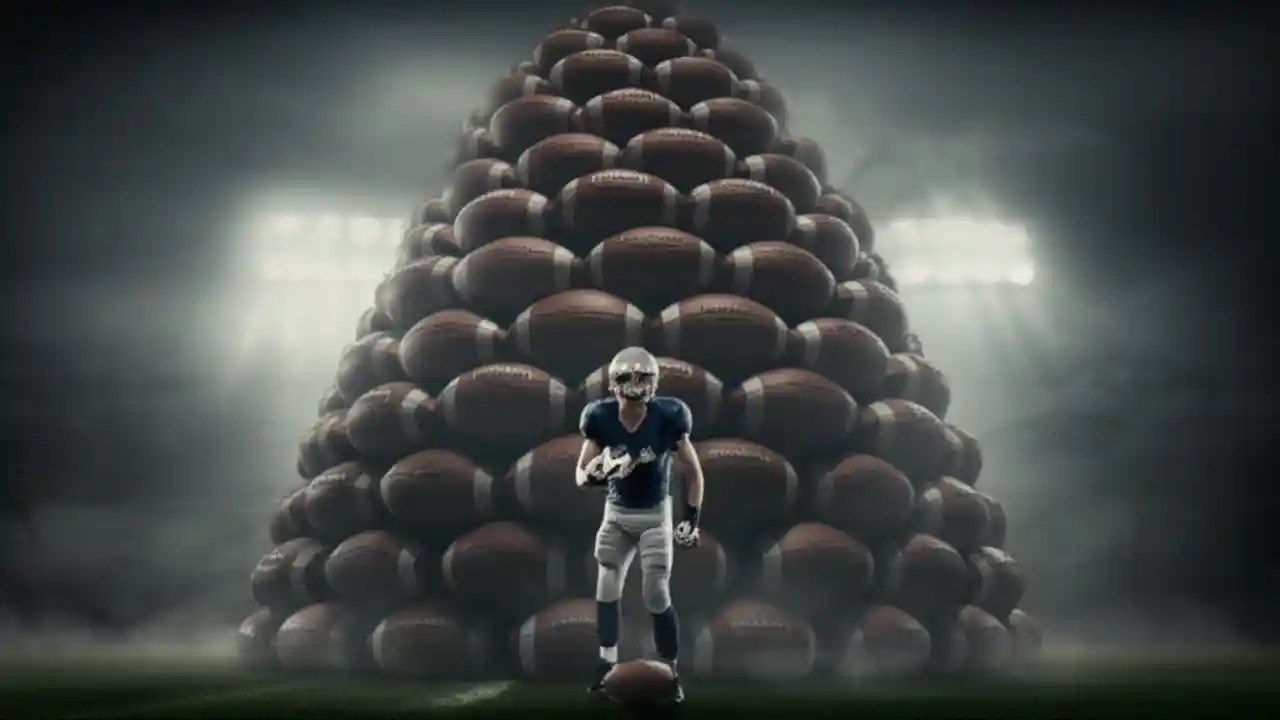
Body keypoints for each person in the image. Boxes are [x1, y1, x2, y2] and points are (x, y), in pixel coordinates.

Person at [577, 346, 705, 705]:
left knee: (656, 593)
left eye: (642, 377)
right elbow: (580, 474)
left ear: (654, 383)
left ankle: (671, 670)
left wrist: (690, 521)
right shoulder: (599, 417)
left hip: (653, 513)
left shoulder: (669, 415)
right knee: (606, 584)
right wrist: (600, 473)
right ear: (612, 384)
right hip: (616, 511)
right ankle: (605, 666)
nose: (634, 385)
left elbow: (693, 473)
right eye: (626, 377)